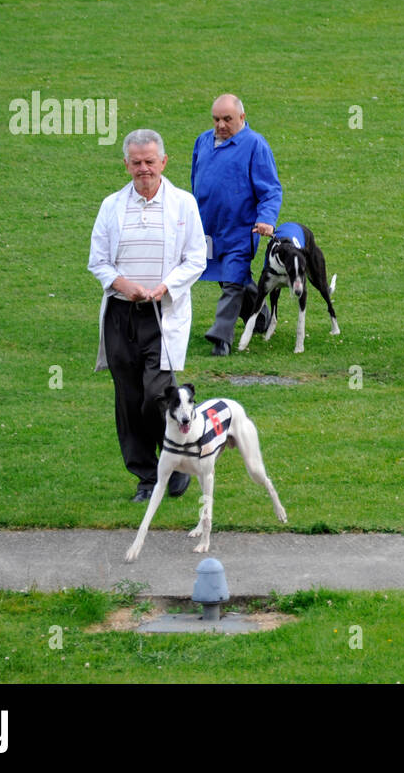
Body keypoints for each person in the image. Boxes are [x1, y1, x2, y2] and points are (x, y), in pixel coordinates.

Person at [90, 129, 207, 501]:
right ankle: (146, 477)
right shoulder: (111, 206)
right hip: (121, 316)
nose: (144, 169)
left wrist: (165, 287)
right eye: (137, 162)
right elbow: (98, 261)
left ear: (164, 162)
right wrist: (123, 285)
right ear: (126, 165)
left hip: (163, 314)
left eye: (150, 161)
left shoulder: (183, 204)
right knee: (128, 399)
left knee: (156, 394)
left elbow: (196, 259)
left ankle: (178, 462)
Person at [191, 94, 283, 355]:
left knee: (232, 279)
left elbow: (271, 190)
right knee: (228, 277)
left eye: (227, 119)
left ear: (242, 117)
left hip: (241, 229)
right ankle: (261, 317)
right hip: (209, 227)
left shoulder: (255, 144)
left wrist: (266, 219)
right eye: (216, 119)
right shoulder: (203, 141)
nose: (220, 125)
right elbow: (196, 180)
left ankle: (221, 337)